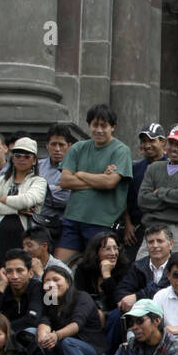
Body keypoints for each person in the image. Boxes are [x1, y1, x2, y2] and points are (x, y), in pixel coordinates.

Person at [57, 104, 133, 262]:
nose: (99, 130)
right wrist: (99, 178)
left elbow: (110, 182)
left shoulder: (121, 150)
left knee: (98, 269)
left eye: (104, 125)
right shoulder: (78, 148)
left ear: (113, 127)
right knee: (61, 267)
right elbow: (64, 181)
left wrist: (81, 174)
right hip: (73, 218)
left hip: (101, 222)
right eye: (95, 125)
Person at [36, 261, 108, 355]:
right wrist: (43, 336)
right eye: (47, 281)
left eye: (56, 279)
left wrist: (56, 335)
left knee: (67, 342)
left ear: (68, 281)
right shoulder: (50, 300)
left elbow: (77, 324)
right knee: (45, 343)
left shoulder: (81, 297)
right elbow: (45, 320)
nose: (51, 284)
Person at [137, 123, 178, 257]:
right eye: (171, 143)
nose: (174, 148)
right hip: (153, 229)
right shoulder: (154, 167)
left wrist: (159, 192)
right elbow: (143, 200)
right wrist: (177, 195)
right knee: (142, 271)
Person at [0, 138, 47, 272]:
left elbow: (28, 200)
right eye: (18, 155)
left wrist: (4, 199)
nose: (21, 159)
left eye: (27, 156)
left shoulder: (39, 181)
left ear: (34, 160)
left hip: (24, 238)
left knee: (20, 275)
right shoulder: (2, 180)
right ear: (12, 157)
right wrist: (17, 211)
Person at [0, 248, 45, 338]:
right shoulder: (4, 289)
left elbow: (32, 320)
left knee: (31, 331)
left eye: (19, 271)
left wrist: (2, 330)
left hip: (27, 338)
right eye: (9, 271)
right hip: (3, 338)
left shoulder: (37, 287)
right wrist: (2, 284)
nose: (14, 276)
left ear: (30, 273)